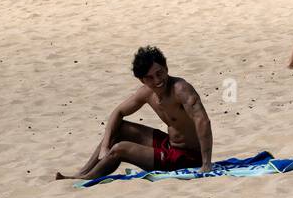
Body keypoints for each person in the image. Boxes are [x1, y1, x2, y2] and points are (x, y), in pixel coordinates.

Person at [55, 46, 213, 180]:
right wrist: (104, 146)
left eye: (159, 73)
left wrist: (206, 164)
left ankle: (85, 180)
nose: (157, 80)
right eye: (150, 78)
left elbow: (203, 121)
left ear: (166, 67)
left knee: (120, 149)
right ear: (142, 80)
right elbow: (118, 112)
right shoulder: (146, 93)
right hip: (170, 144)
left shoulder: (181, 89)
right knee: (120, 129)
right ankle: (82, 172)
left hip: (188, 157)